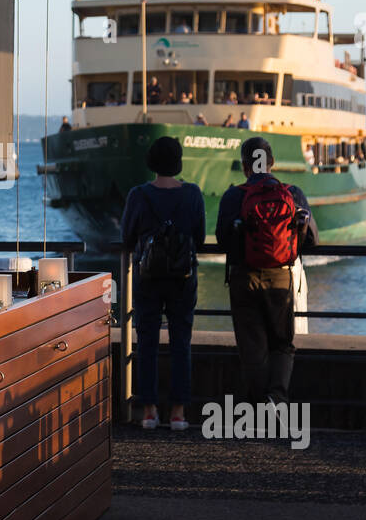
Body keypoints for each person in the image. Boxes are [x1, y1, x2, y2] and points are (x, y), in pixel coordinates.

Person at [216, 137, 319, 405]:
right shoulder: (292, 192)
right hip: (281, 277)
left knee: (252, 346)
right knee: (282, 343)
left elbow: (222, 239)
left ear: (244, 165)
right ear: (271, 162)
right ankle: (276, 397)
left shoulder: (232, 196)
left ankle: (259, 406)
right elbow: (312, 240)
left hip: (243, 277)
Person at [121, 137, 205, 431]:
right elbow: (201, 237)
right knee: (182, 342)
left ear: (151, 163)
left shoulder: (138, 195)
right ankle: (179, 413)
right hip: (183, 277)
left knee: (147, 343)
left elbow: (127, 238)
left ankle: (148, 411)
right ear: (178, 162)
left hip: (148, 277)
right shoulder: (193, 194)